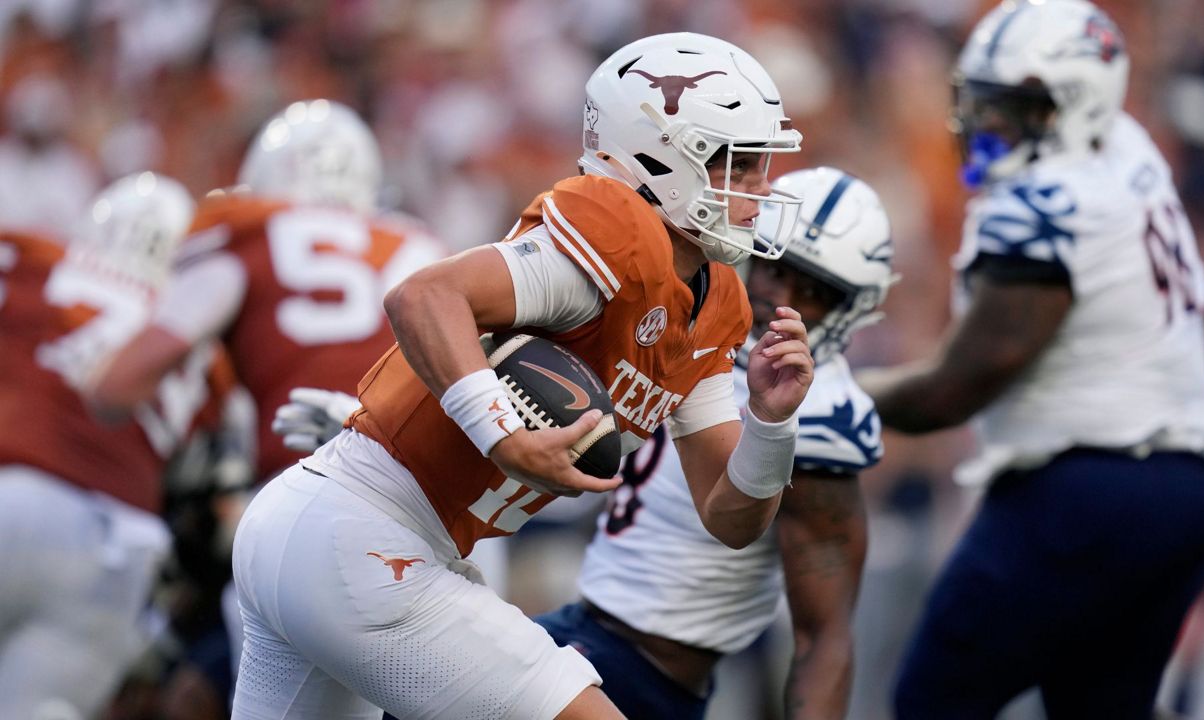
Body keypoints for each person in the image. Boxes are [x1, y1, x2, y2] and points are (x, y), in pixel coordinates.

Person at [227, 32, 812, 720]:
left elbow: (730, 517)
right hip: (364, 533)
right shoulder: (615, 228)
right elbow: (423, 297)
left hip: (336, 534)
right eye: (736, 165)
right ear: (658, 157)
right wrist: (502, 436)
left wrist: (770, 425)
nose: (759, 188)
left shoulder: (717, 307)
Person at [854, 2, 1204, 717]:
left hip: (1087, 490)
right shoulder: (1128, 152)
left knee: (933, 700)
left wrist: (835, 391)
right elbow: (1200, 328)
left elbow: (956, 388)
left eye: (1016, 109)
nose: (989, 126)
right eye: (985, 103)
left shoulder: (1045, 203)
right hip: (1192, 489)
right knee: (1100, 707)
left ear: (1075, 105)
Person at [85, 98, 449, 716]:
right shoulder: (416, 241)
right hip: (439, 509)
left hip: (307, 509)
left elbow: (116, 386)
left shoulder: (246, 229)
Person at [533, 166, 894, 719]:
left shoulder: (820, 416)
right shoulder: (699, 327)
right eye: (777, 268)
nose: (782, 298)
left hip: (642, 673)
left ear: (852, 308)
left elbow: (824, 637)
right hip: (590, 629)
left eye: (815, 292)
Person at [0, 172, 217, 719]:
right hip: (122, 545)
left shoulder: (33, 259)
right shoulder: (208, 344)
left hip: (14, 489)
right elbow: (207, 492)